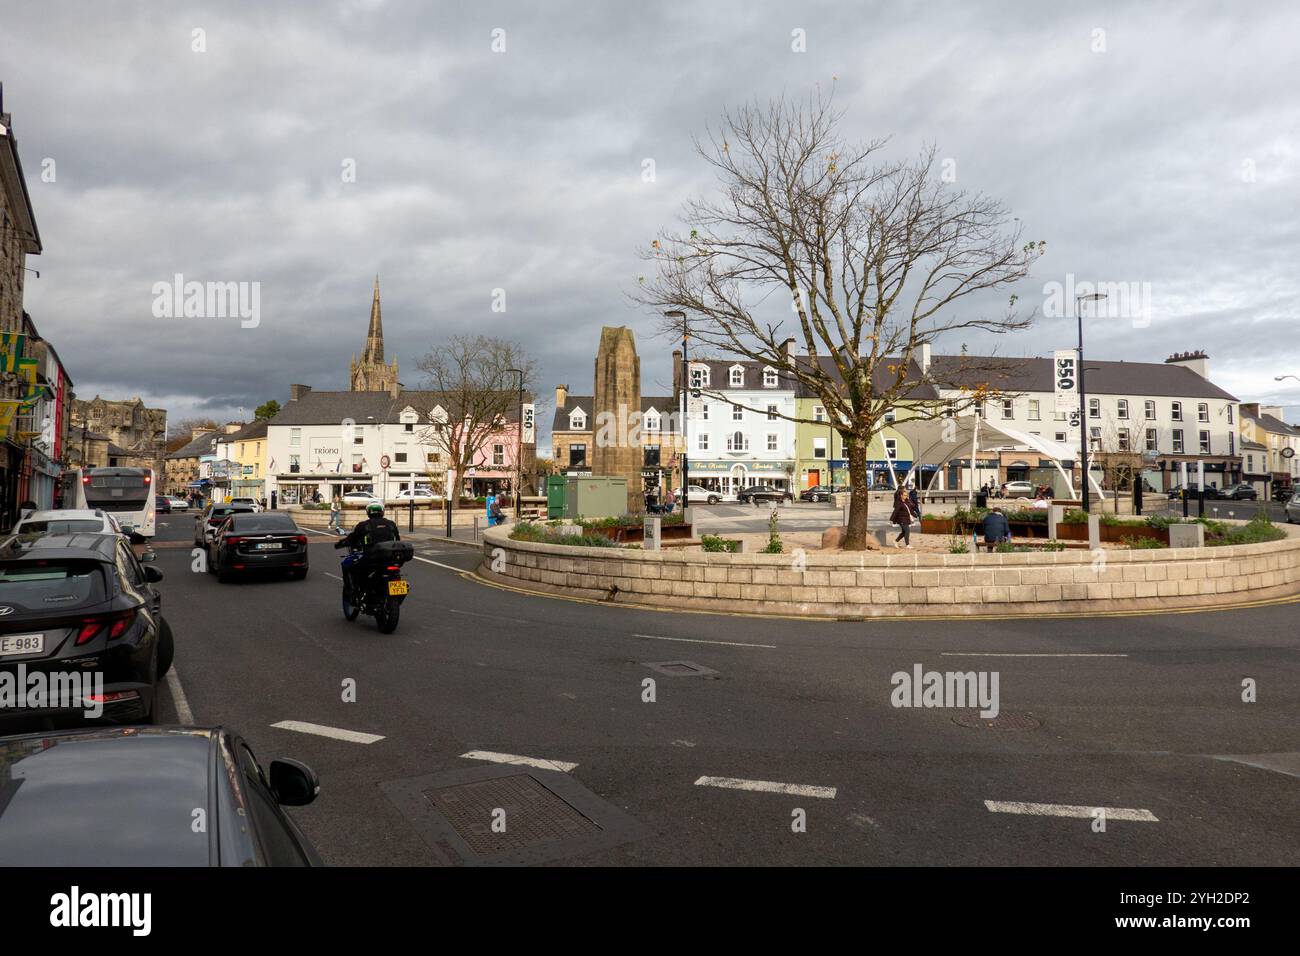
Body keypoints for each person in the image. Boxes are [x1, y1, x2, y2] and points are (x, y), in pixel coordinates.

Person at [334, 502, 401, 595]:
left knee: (347, 565)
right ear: (382, 511)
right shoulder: (391, 524)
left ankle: (352, 590)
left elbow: (351, 539)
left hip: (371, 558)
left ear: (368, 512)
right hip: (390, 558)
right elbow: (397, 540)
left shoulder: (363, 525)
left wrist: (339, 544)